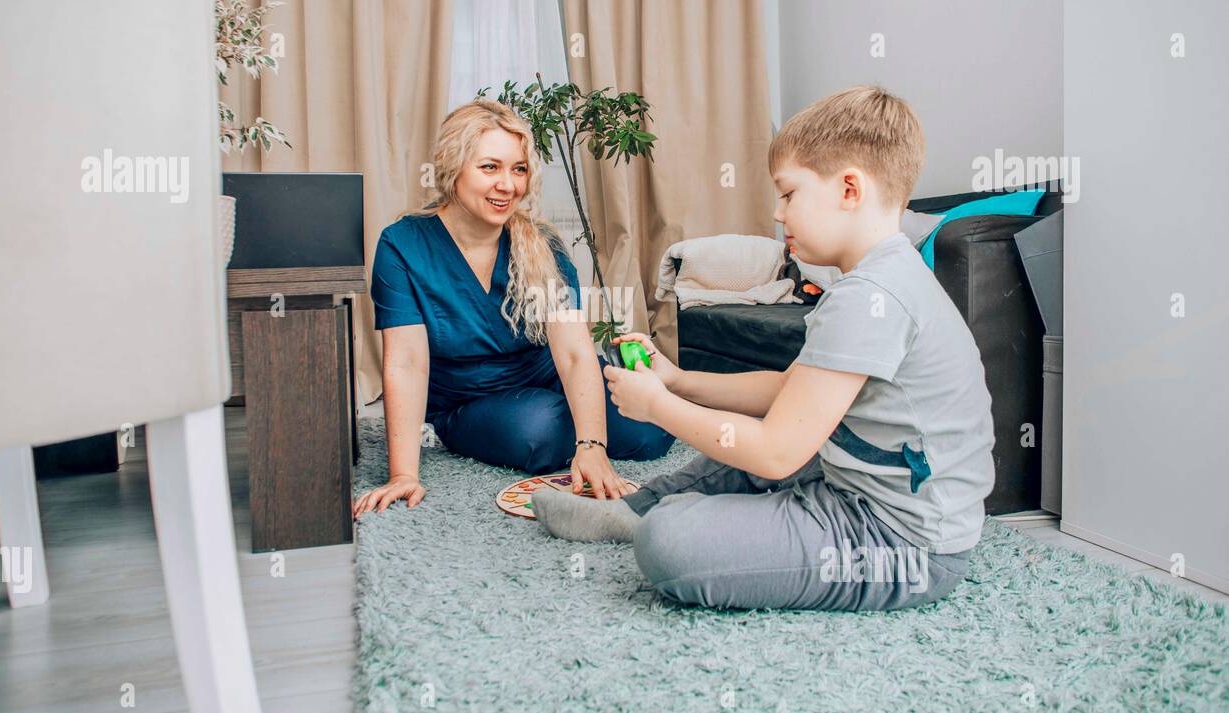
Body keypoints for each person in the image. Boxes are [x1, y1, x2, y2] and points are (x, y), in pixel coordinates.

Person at [531, 85, 996, 612]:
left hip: (902, 543)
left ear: (849, 189)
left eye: (789, 193)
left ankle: (658, 518)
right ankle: (635, 507)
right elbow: (788, 389)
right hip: (873, 487)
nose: (777, 213)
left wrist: (659, 407)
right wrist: (677, 380)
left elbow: (777, 452)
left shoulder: (873, 296)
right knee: (739, 455)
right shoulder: (874, 278)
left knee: (671, 541)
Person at [353, 100, 673, 516]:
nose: (508, 185)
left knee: (653, 426)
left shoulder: (543, 242)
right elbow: (407, 364)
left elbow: (575, 354)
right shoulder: (402, 244)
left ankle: (578, 422)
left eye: (518, 169)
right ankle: (558, 420)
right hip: (468, 399)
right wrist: (403, 475)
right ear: (453, 168)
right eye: (490, 167)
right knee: (540, 429)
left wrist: (592, 445)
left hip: (547, 374)